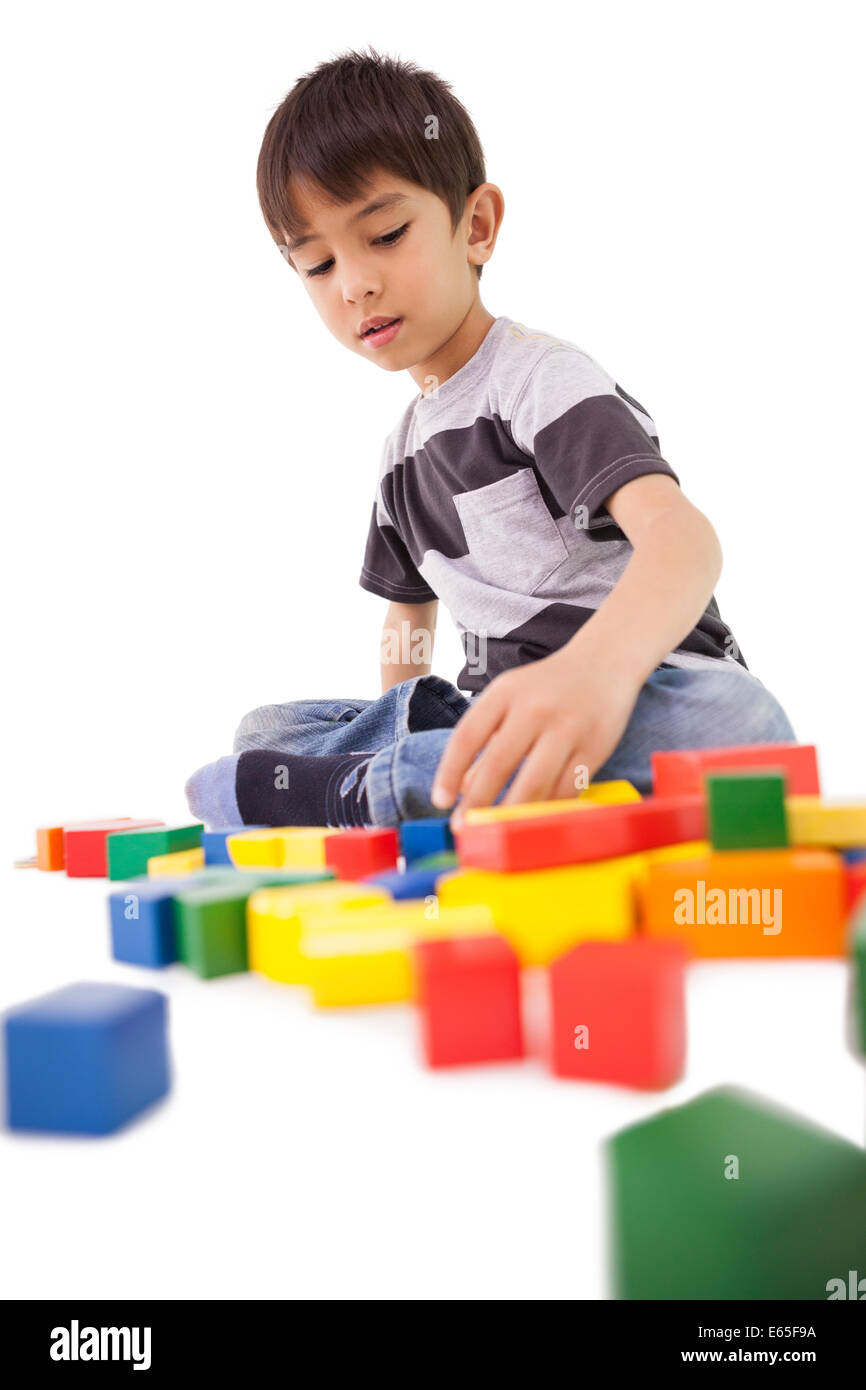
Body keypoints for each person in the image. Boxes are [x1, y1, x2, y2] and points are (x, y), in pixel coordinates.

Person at [185, 47, 795, 832]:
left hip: (647, 687)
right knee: (267, 732)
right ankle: (414, 774)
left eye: (387, 234)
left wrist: (594, 676)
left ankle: (376, 794)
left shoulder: (540, 380)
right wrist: (394, 718)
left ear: (475, 226)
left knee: (739, 722)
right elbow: (409, 623)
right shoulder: (400, 459)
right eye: (318, 263)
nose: (353, 284)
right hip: (496, 717)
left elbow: (685, 541)